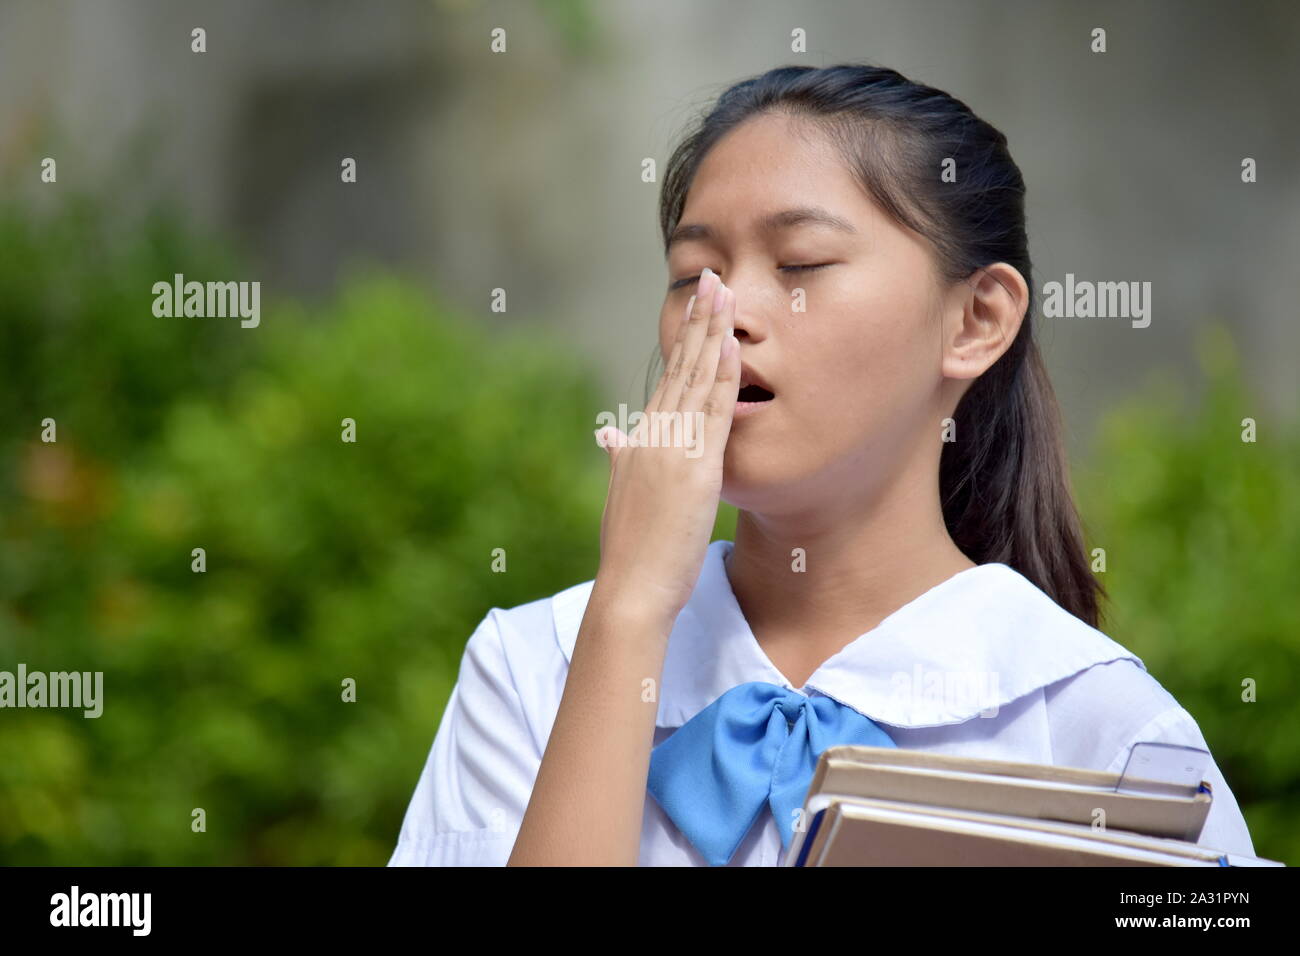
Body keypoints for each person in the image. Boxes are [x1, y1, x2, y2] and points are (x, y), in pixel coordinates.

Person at [387, 63, 1255, 867]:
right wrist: (630, 610)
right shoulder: (532, 668)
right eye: (694, 275)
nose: (726, 314)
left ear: (976, 320)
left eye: (799, 264)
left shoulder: (1091, 723)